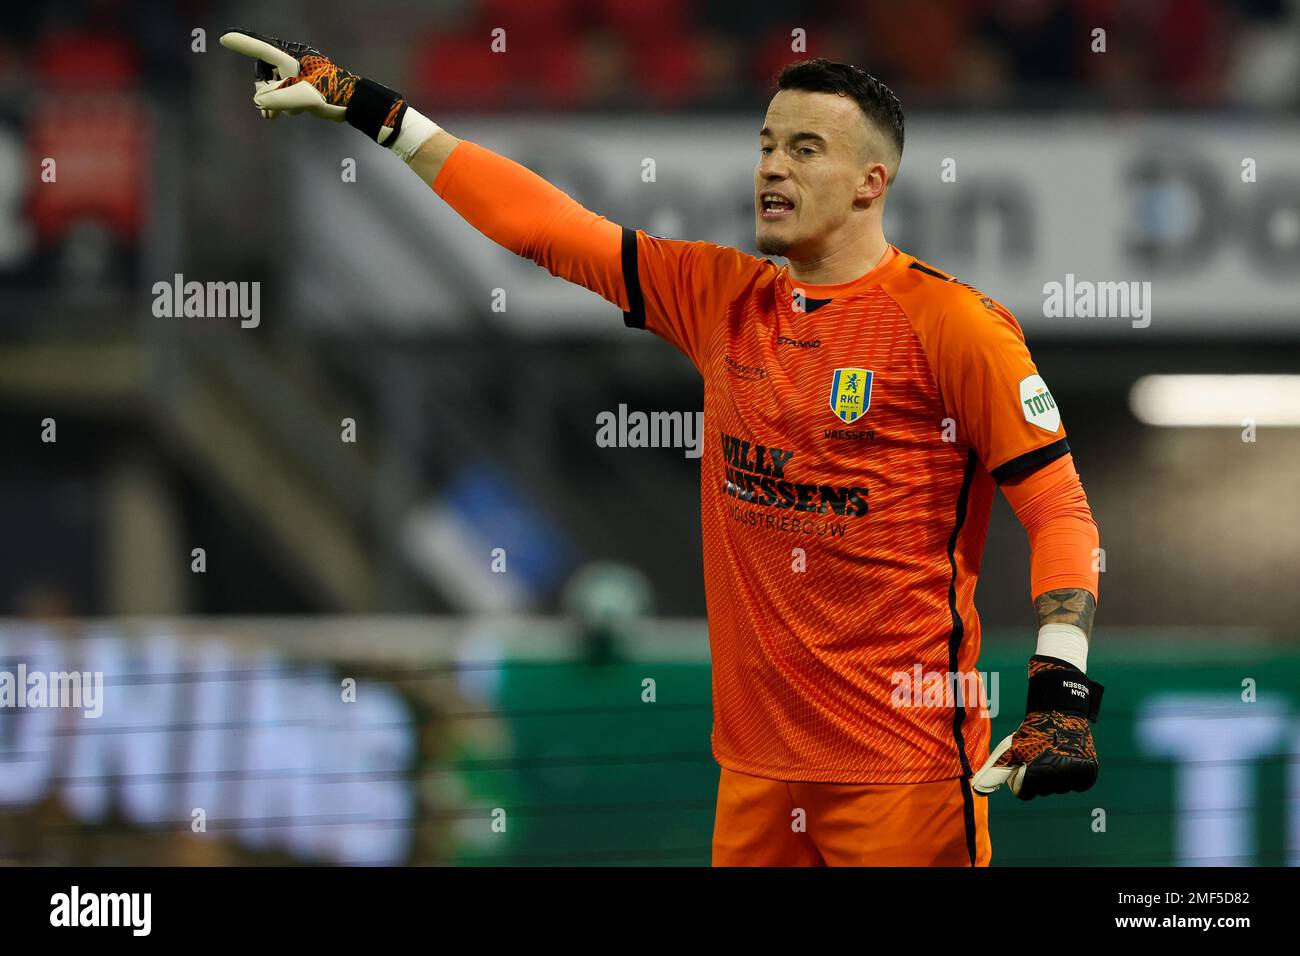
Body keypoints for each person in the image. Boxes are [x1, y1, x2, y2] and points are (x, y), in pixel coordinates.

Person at [221, 33, 1103, 866]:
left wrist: (1060, 691)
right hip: (755, 774)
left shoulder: (954, 326)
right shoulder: (721, 298)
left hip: (907, 772)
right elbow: (551, 230)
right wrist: (373, 108)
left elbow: (1058, 508)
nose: (770, 166)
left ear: (872, 181)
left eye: (804, 149)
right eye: (765, 145)